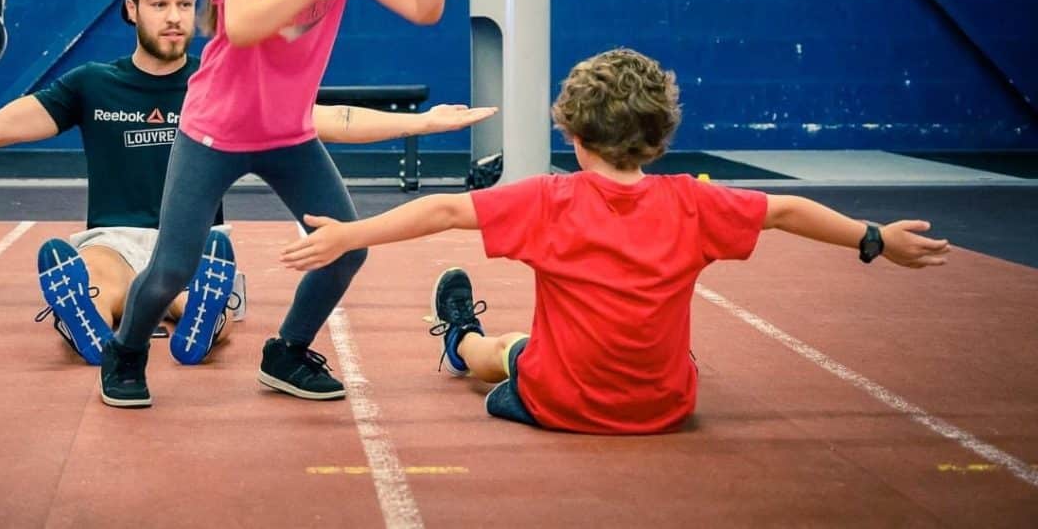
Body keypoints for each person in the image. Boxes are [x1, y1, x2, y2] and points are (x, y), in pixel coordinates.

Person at [0, 0, 493, 369]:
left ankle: (197, 317)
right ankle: (87, 321)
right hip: (113, 237)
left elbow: (322, 120)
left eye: (186, 5)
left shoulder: (219, 80)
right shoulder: (90, 84)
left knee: (197, 288)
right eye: (159, 4)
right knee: (103, 280)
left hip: (190, 243)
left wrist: (422, 123)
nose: (174, 17)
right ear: (131, 10)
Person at [280, 47, 951, 435]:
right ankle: (488, 346)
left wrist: (349, 234)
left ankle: (460, 341)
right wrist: (873, 238)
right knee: (612, 342)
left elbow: (446, 214)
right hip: (668, 408)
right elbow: (784, 211)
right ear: (658, 136)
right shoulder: (693, 202)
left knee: (513, 351)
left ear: (571, 134)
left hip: (561, 404)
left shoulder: (551, 199)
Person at [100, 0, 451, 409]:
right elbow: (240, 25)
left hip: (288, 134)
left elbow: (423, 9)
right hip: (214, 132)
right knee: (172, 269)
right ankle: (128, 349)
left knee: (348, 245)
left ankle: (286, 350)